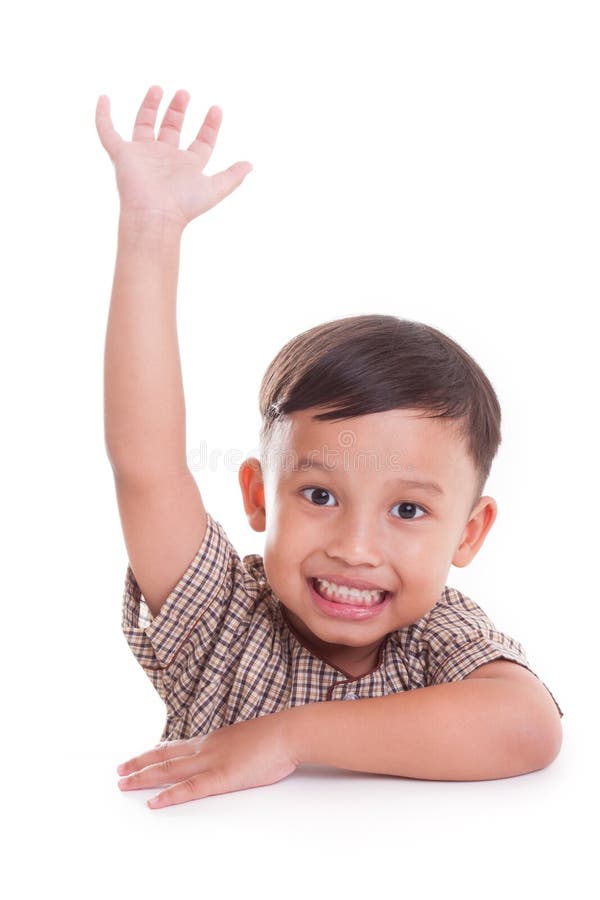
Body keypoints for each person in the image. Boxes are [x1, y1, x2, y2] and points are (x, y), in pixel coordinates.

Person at [96, 85, 563, 811]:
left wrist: (288, 736)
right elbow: (146, 466)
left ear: (467, 533)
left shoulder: (439, 637)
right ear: (258, 496)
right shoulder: (218, 618)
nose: (355, 546)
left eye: (407, 509)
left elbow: (530, 729)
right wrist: (151, 230)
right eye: (318, 496)